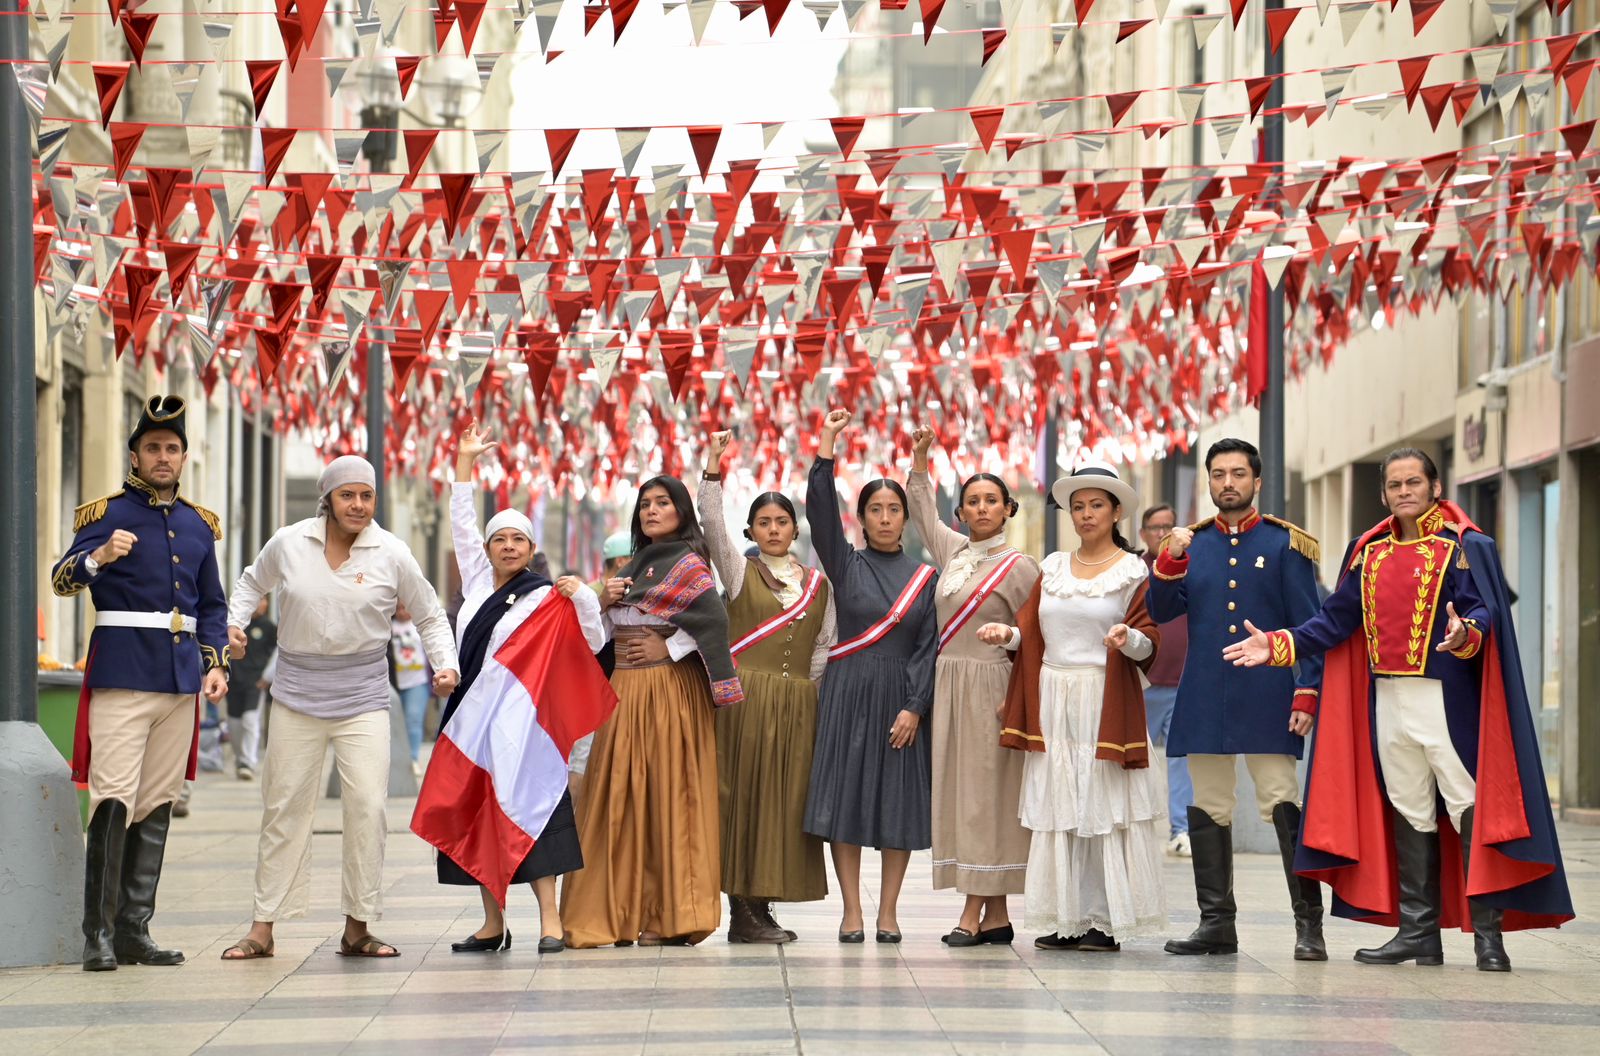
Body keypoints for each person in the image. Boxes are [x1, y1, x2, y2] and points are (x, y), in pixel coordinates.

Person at [1225, 448, 1573, 971]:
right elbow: (1334, 620)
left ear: (1434, 486)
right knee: (1409, 807)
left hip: (1444, 698)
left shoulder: (1463, 547)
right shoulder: (1367, 553)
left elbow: (1482, 610)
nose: (1404, 491)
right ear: (1384, 493)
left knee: (1467, 806)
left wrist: (1466, 632)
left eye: (1414, 482)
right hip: (1388, 700)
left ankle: (1488, 938)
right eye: (1394, 484)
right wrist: (1279, 645)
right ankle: (1418, 933)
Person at [221, 455, 460, 961]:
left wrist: (446, 665)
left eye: (366, 496)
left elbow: (431, 614)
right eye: (347, 494)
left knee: (368, 808)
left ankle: (358, 927)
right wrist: (232, 627)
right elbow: (248, 584)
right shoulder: (288, 542)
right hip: (295, 696)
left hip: (363, 698)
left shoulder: (392, 552)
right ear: (327, 498)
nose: (358, 505)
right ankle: (263, 927)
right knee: (284, 807)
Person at [50, 395, 230, 971]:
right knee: (112, 800)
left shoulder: (199, 525)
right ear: (135, 453)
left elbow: (212, 607)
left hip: (179, 680)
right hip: (123, 671)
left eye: (171, 448)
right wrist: (100, 556)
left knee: (156, 803)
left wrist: (217, 662)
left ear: (183, 458)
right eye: (152, 447)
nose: (162, 456)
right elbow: (60, 579)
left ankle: (134, 928)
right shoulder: (102, 515)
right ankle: (97, 934)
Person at [430, 423, 607, 956]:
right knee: (478, 818)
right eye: (499, 539)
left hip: (525, 729)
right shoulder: (478, 585)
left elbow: (594, 644)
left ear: (531, 549)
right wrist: (463, 464)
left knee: (536, 816)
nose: (508, 546)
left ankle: (550, 922)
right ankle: (492, 924)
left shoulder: (547, 598)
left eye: (518, 540)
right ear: (487, 549)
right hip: (469, 721)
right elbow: (460, 522)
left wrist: (584, 600)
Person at [1148, 437, 1328, 961]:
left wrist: (1306, 689)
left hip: (1268, 693)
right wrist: (1170, 559)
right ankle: (1216, 925)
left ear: (1257, 482)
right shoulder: (1192, 544)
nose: (1228, 483)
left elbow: (1310, 625)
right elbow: (1161, 611)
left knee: (1281, 801)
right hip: (1205, 693)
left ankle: (1308, 926)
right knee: (1208, 805)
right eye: (1218, 474)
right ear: (1208, 481)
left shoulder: (1285, 545)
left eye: (1238, 474)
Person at [562, 476, 744, 947]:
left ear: (682, 511)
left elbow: (714, 620)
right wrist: (599, 600)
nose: (652, 510)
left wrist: (671, 647)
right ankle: (611, 915)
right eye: (645, 504)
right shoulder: (635, 566)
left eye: (663, 503)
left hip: (670, 694)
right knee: (613, 796)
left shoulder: (688, 564)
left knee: (668, 796)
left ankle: (672, 917)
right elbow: (598, 638)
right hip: (622, 693)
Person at [992, 463, 1165, 951]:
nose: (1086, 515)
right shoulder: (1051, 568)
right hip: (1053, 695)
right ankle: (1066, 917)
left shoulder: (1133, 572)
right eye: (1078, 506)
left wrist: (1127, 638)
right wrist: (1008, 635)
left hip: (1102, 696)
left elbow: (1149, 641)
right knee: (1060, 801)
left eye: (1096, 505)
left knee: (1100, 803)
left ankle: (1102, 920)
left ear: (1115, 513)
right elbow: (1033, 631)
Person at [803, 410, 938, 944]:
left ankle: (889, 911)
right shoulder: (845, 563)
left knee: (896, 803)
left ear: (905, 518)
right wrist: (826, 447)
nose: (885, 518)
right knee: (847, 799)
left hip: (900, 697)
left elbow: (929, 647)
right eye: (875, 510)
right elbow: (818, 514)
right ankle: (852, 910)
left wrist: (916, 706)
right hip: (847, 690)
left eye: (893, 509)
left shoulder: (926, 578)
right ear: (860, 518)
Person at [699, 430, 837, 943]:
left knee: (785, 802)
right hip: (744, 702)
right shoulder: (738, 573)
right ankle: (744, 910)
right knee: (744, 799)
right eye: (764, 522)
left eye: (781, 521)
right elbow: (711, 525)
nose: (773, 529)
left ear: (794, 529)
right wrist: (713, 468)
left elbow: (823, 644)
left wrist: (809, 692)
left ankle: (765, 905)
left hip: (799, 702)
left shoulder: (819, 584)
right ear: (751, 529)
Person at [907, 427, 1039, 948]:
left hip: (993, 689)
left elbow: (1036, 637)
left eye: (991, 501)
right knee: (964, 797)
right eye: (972, 502)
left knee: (990, 797)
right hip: (949, 687)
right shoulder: (953, 554)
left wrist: (1018, 696)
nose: (982, 509)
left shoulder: (1022, 568)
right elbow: (920, 510)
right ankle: (998, 914)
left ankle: (972, 909)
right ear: (961, 512)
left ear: (1008, 509)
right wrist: (920, 461)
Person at [1138, 504, 1194, 857]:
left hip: (1181, 682)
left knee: (1181, 759)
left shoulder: (1189, 567)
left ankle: (1181, 829)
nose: (1162, 533)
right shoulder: (1132, 569)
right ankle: (1136, 827)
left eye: (1168, 527)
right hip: (1140, 681)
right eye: (1155, 528)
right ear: (1143, 533)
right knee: (1135, 759)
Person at [227, 596, 276, 781]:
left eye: (263, 600)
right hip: (234, 680)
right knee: (234, 724)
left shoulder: (268, 627)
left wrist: (267, 677)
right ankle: (240, 759)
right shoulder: (235, 625)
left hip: (255, 682)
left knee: (249, 720)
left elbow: (277, 653)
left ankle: (249, 762)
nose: (261, 604)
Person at [389, 600, 432, 779]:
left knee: (413, 719)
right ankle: (393, 760)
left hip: (417, 681)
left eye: (404, 607)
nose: (401, 612)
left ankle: (413, 759)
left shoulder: (420, 626)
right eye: (398, 608)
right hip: (395, 682)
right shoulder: (387, 627)